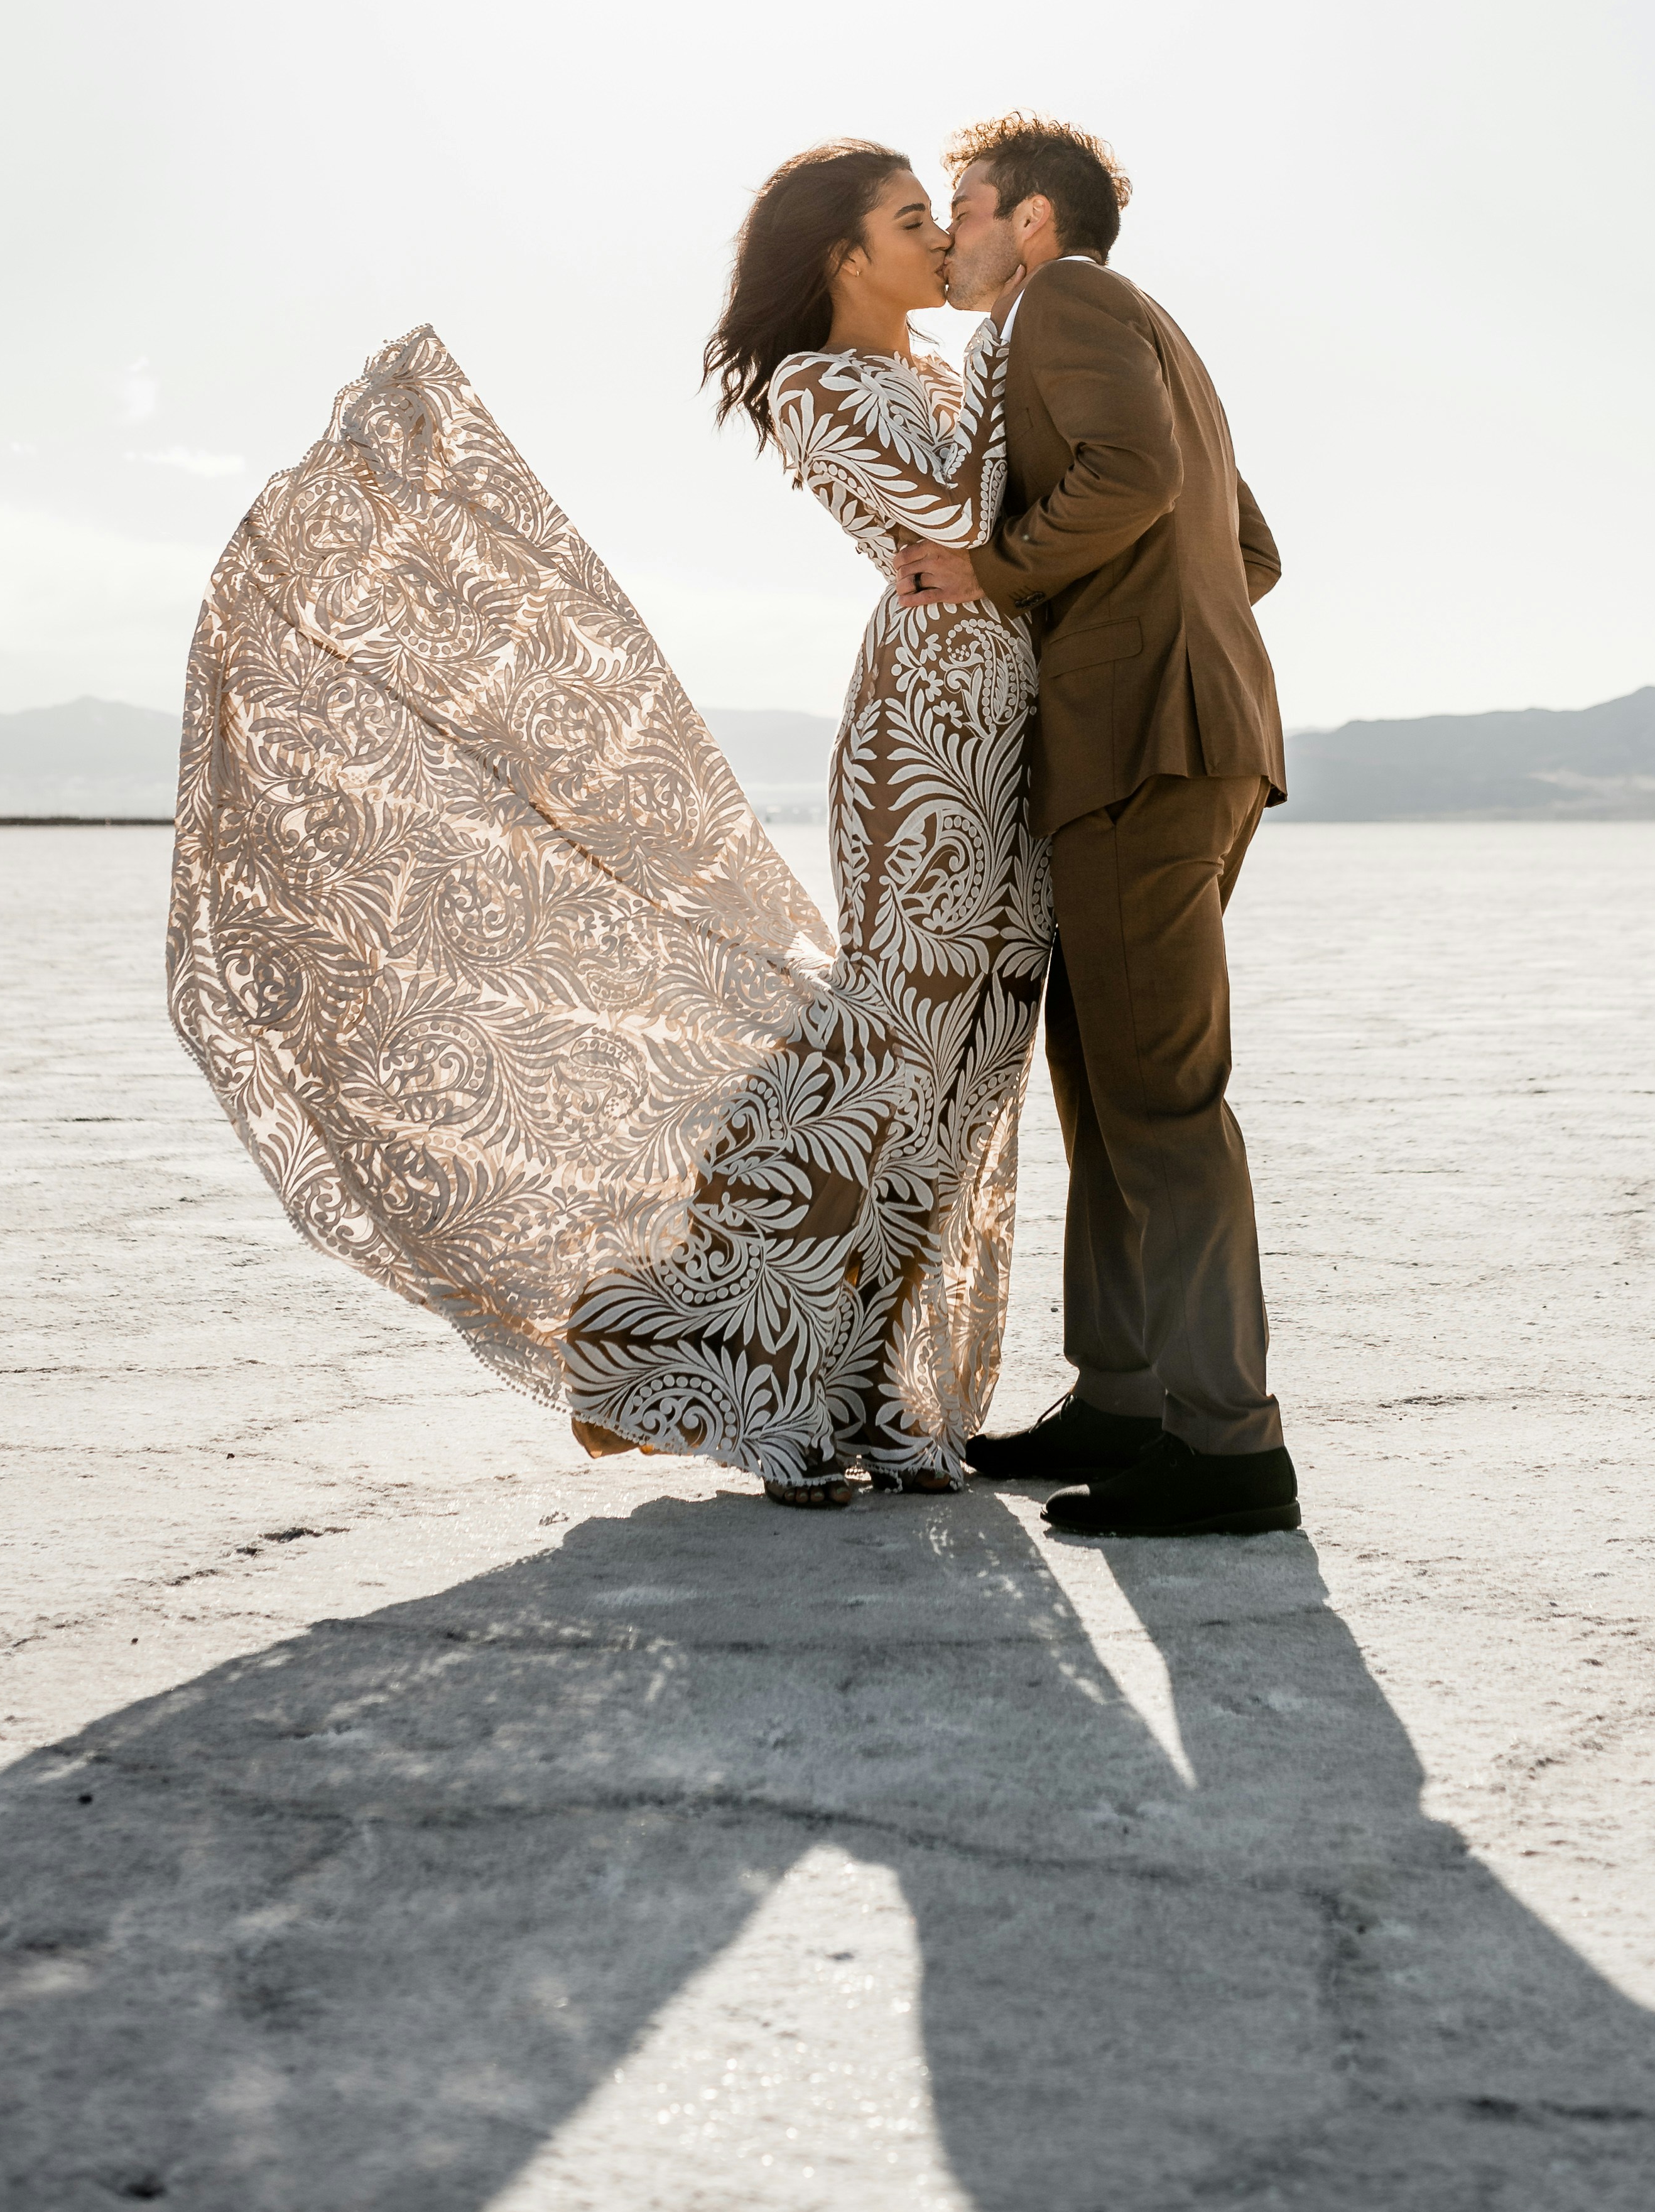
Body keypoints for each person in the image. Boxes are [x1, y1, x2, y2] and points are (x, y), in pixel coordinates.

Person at [167, 144, 1048, 1516]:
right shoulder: (816, 382)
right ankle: (713, 1358)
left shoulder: (941, 375)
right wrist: (1028, 353)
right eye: (910, 220)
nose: (940, 240)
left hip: (1022, 721)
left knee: (974, 1063)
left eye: (943, 219)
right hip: (930, 727)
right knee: (888, 1051)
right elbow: (955, 514)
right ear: (840, 259)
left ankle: (870, 1386)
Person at [895, 115, 1296, 1538]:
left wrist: (992, 575)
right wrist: (1151, 636)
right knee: (1104, 1080)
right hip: (1177, 738)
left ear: (1036, 226)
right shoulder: (1151, 333)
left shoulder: (1067, 304)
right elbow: (1243, 550)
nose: (949, 234)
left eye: (966, 208)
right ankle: (1124, 1400)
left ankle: (1229, 1447)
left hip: (1144, 752)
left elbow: (1133, 486)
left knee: (1160, 1099)